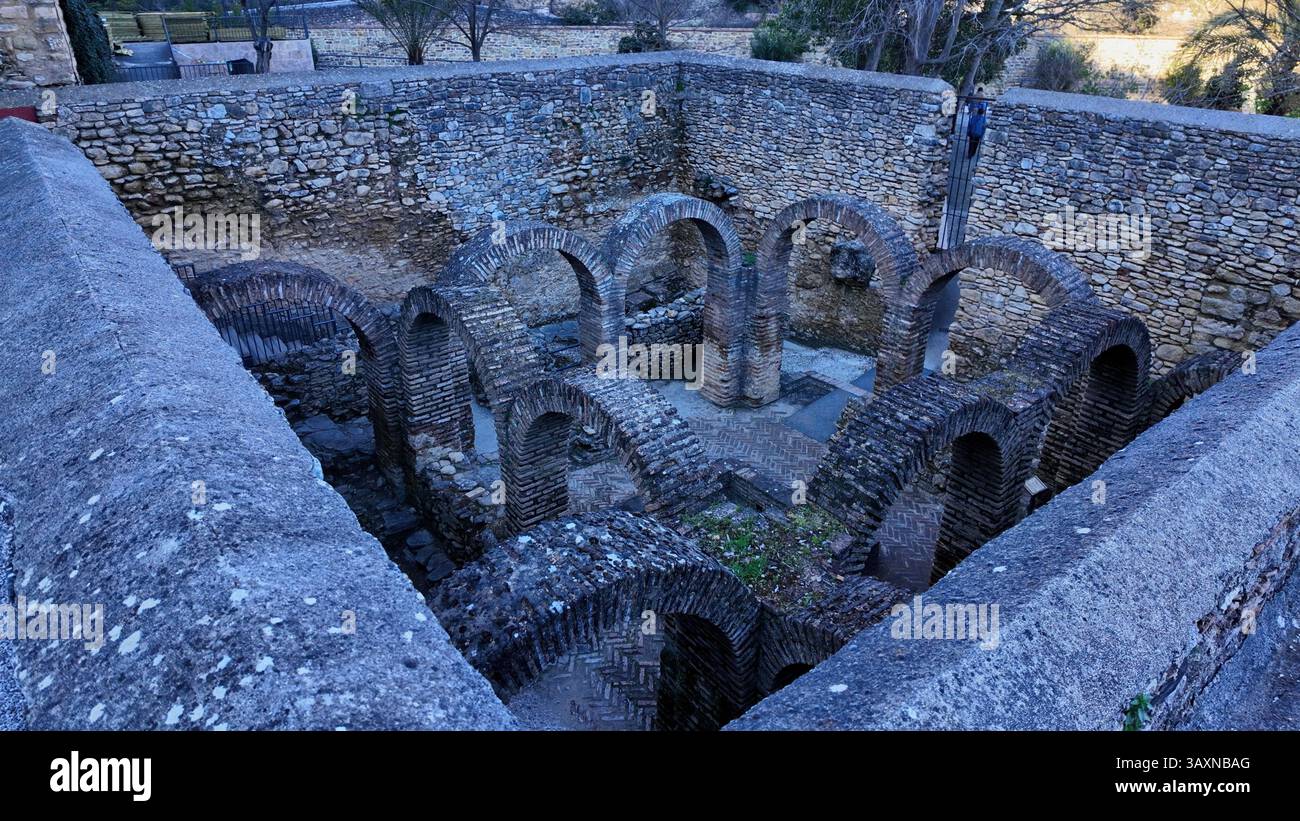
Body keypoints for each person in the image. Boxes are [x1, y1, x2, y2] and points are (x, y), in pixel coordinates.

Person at [966, 89, 989, 158]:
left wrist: (968, 132)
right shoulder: (984, 119)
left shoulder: (973, 117)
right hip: (978, 133)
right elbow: (984, 127)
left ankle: (970, 153)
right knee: (976, 143)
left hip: (972, 132)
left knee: (971, 142)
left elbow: (970, 124)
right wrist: (982, 136)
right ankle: (972, 153)